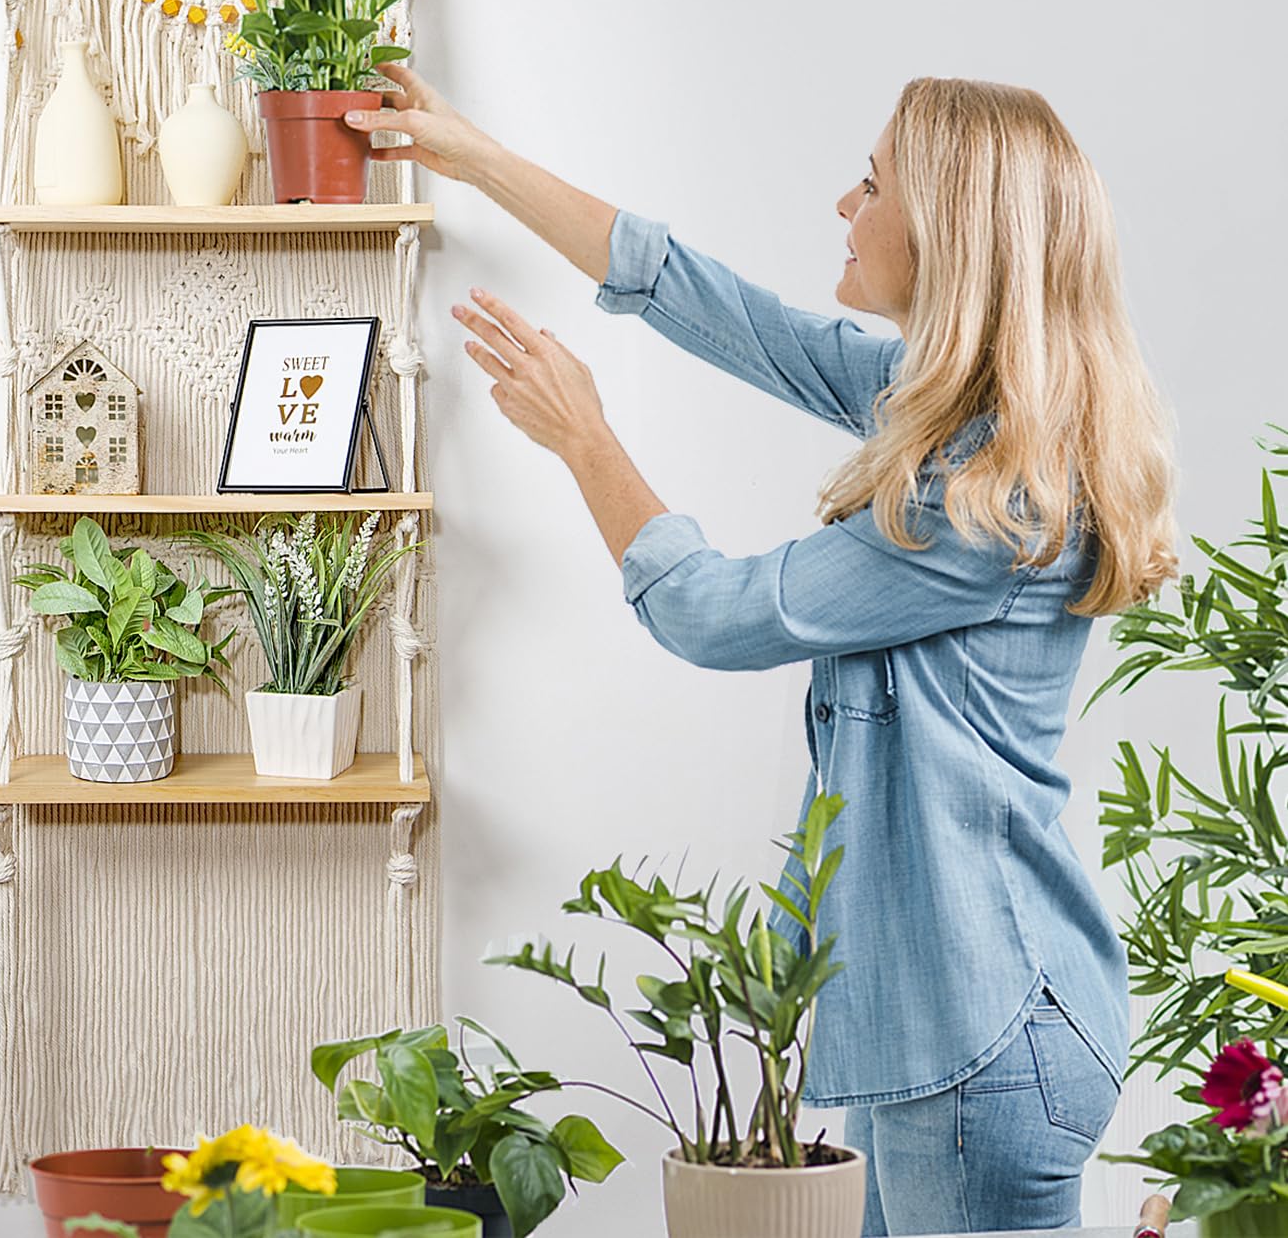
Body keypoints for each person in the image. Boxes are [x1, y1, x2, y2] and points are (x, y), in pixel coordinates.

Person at [344, 69, 1179, 1235]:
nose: (845, 202)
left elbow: (719, 612)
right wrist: (472, 155)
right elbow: (715, 304)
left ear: (945, 231)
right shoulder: (952, 419)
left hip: (987, 1034)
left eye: (873, 182)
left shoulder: (990, 503)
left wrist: (586, 441)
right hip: (961, 1025)